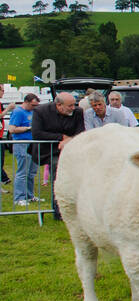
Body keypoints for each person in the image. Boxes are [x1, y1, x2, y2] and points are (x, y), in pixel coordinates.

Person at [31, 92, 85, 221]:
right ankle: (59, 212)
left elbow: (81, 131)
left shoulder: (78, 112)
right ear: (59, 105)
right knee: (58, 172)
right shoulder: (40, 111)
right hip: (49, 151)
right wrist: (60, 137)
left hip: (71, 150)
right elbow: (37, 133)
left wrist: (69, 140)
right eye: (70, 105)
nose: (73, 108)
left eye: (74, 105)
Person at [8, 93, 37, 206]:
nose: (34, 108)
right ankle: (19, 197)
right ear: (27, 102)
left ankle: (30, 196)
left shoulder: (32, 112)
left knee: (31, 172)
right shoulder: (18, 112)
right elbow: (11, 129)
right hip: (22, 144)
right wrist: (28, 128)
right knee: (22, 172)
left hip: (33, 144)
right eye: (33, 105)